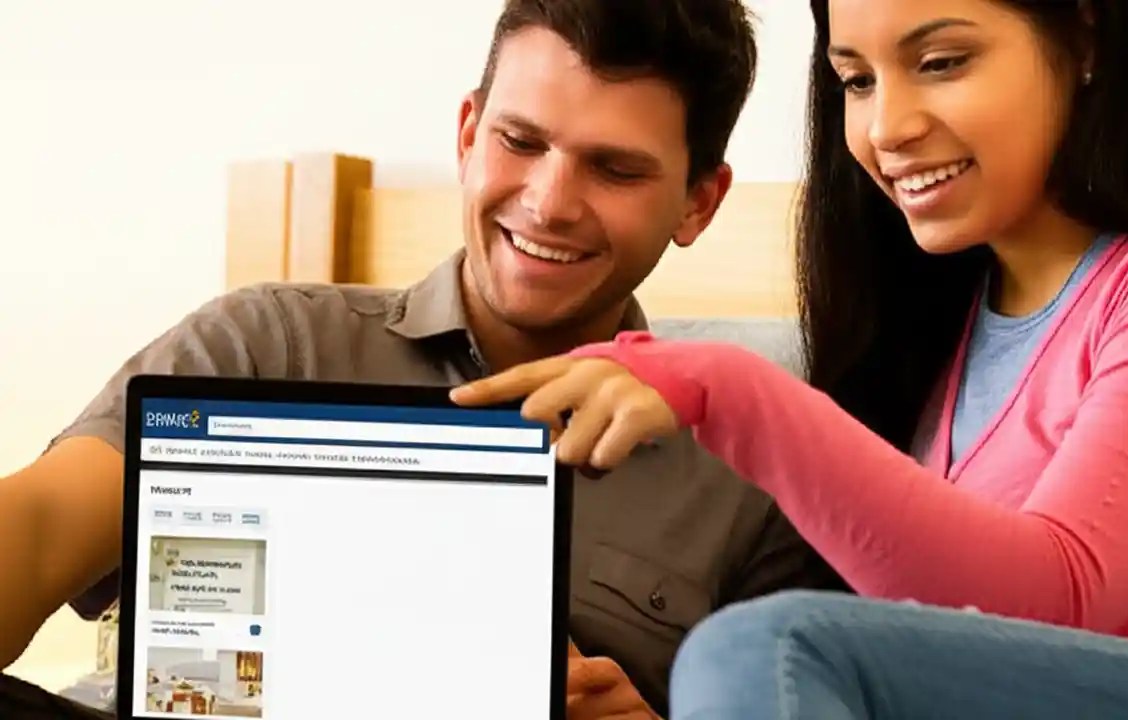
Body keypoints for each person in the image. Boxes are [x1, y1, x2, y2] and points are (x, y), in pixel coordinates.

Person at [0, 1, 840, 718]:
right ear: (469, 133)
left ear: (699, 201)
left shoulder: (753, 481)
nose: (548, 205)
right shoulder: (266, 344)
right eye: (519, 141)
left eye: (614, 170)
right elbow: (36, 532)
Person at [450, 0, 1128, 717]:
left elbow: (1055, 602)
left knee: (757, 649)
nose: (888, 127)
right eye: (857, 81)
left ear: (1087, 38)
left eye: (942, 61)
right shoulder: (940, 322)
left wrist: (729, 387)